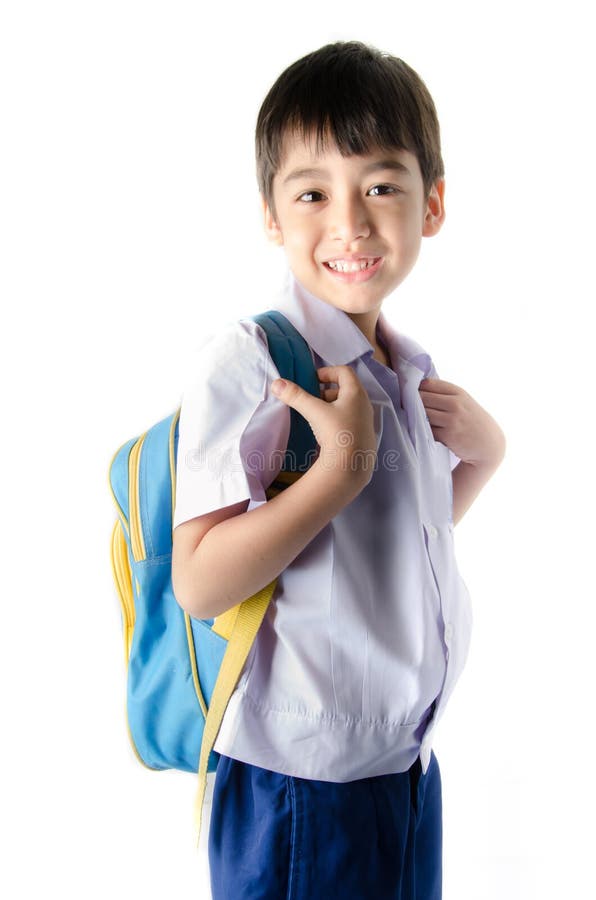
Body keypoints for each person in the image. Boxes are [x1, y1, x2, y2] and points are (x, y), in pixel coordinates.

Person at [171, 40, 506, 900]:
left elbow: (394, 541)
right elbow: (201, 583)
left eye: (382, 188)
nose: (350, 223)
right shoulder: (254, 362)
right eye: (313, 193)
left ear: (431, 204)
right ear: (271, 216)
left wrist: (487, 455)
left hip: (404, 772)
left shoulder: (405, 370)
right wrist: (335, 476)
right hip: (302, 785)